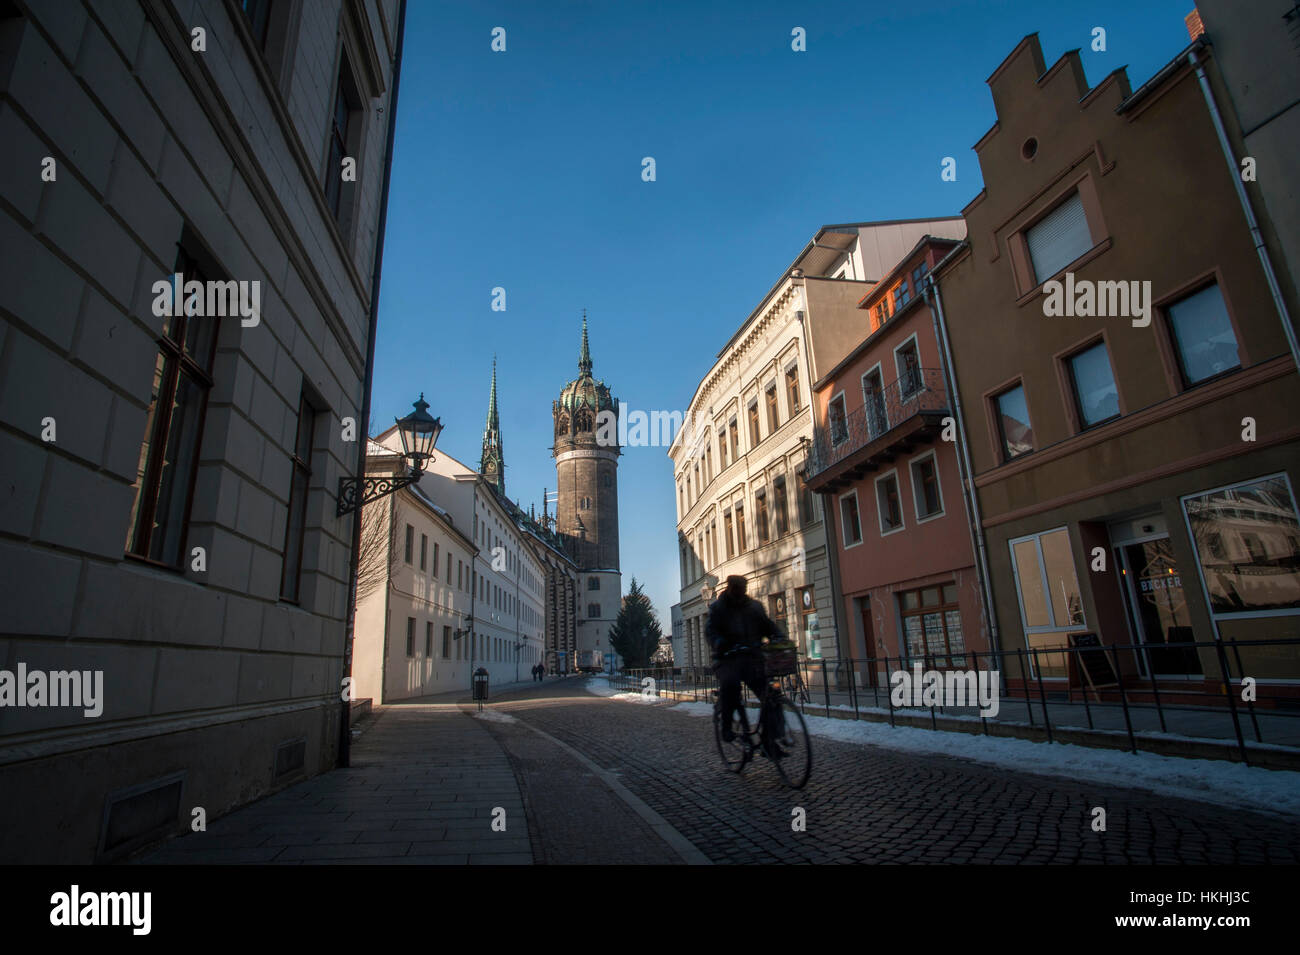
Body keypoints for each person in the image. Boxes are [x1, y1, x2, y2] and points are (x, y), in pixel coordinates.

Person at [706, 575, 786, 756]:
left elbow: (768, 625)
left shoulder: (754, 608)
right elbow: (710, 630)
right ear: (730, 588)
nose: (740, 592)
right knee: (730, 685)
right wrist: (719, 643)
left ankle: (770, 739)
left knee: (771, 695)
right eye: (737, 589)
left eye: (742, 589)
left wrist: (779, 636)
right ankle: (727, 727)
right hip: (727, 659)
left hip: (751, 659)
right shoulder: (719, 608)